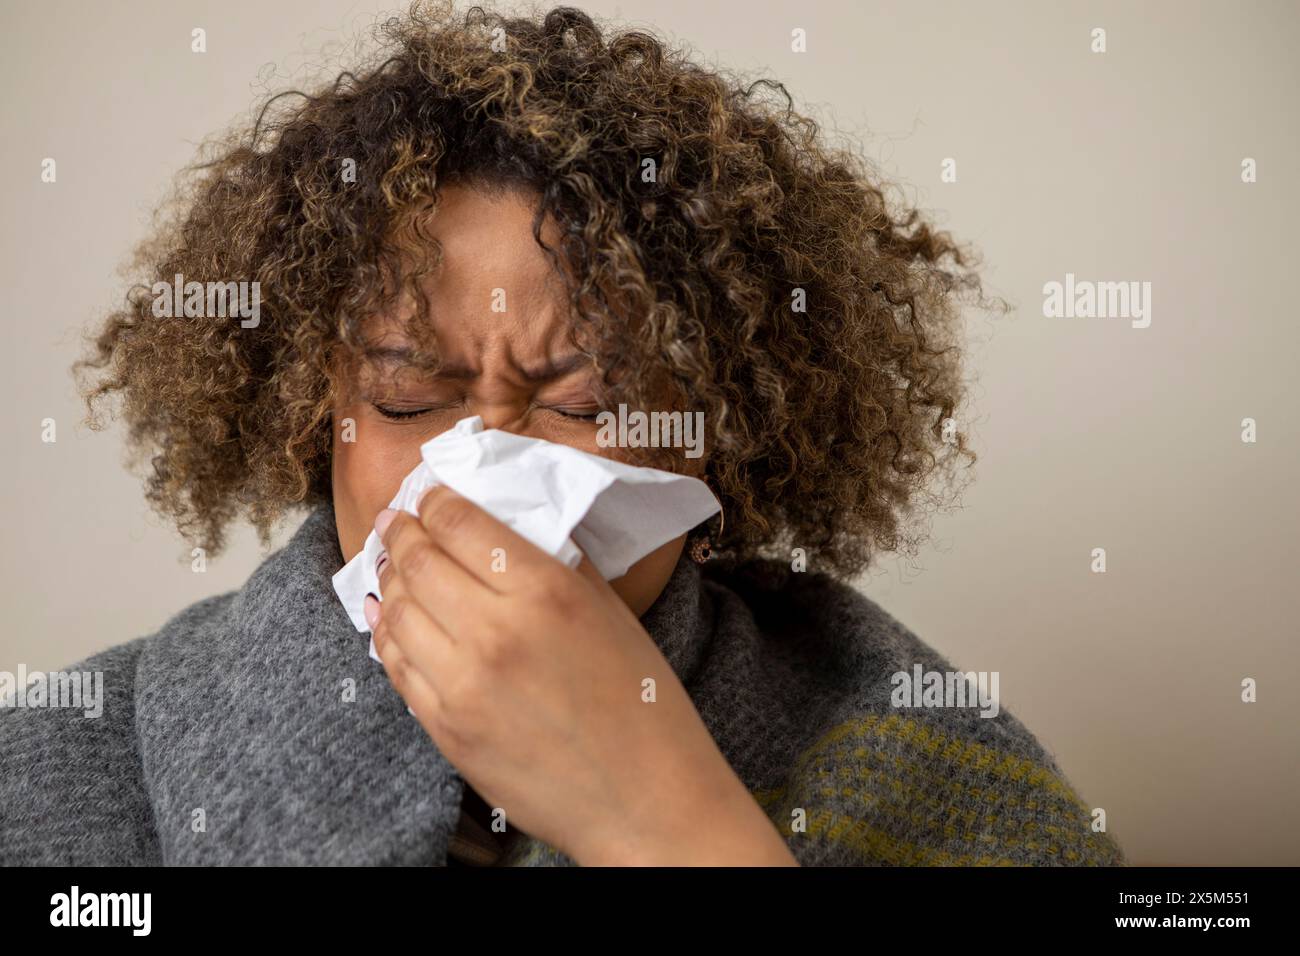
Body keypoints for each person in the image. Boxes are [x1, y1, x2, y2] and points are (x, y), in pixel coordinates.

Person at [0, 2, 1124, 866]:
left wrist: (656, 808)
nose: (484, 477)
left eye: (587, 406)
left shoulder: (894, 734)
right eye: (404, 398)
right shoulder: (67, 763)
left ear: (717, 437)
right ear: (313, 419)